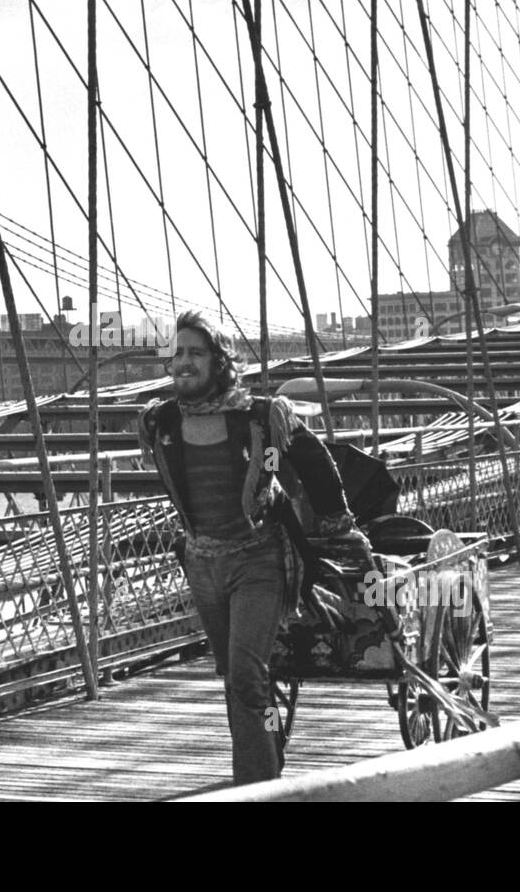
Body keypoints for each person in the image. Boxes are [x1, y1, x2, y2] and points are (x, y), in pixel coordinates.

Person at [137, 311, 353, 785]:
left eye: (196, 353)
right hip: (201, 562)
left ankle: (256, 788)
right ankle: (265, 759)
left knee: (245, 675)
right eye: (177, 354)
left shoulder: (259, 415)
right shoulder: (162, 421)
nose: (184, 362)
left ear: (219, 362)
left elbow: (312, 460)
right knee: (233, 676)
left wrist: (338, 524)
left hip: (259, 557)